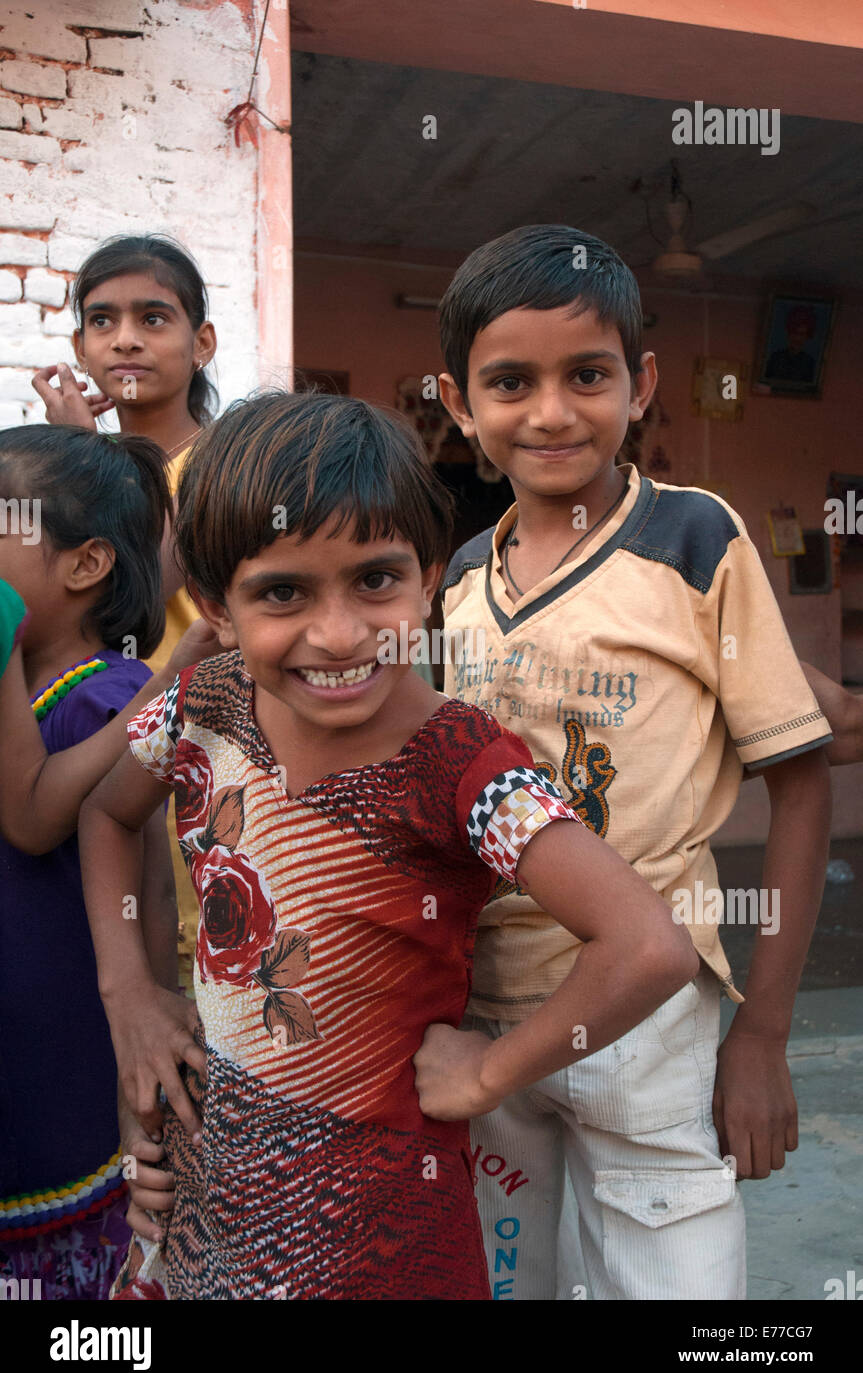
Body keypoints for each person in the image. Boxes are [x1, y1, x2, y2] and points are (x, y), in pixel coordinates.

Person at [78, 390, 697, 1301]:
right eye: (282, 592)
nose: (338, 634)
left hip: (382, 1240)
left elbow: (650, 946)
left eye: (375, 581)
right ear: (213, 604)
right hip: (206, 1204)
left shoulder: (462, 764)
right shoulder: (198, 706)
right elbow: (104, 812)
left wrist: (491, 1069)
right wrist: (129, 989)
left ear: (429, 580)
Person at [433, 224, 833, 1300]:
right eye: (510, 381)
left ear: (642, 384)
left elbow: (798, 778)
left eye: (588, 375)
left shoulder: (694, 540)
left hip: (649, 1017)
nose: (552, 410)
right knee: (506, 1275)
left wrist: (762, 1031)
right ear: (459, 403)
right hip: (490, 1011)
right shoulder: (463, 578)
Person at [0, 425, 209, 1299]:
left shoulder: (103, 698)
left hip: (64, 1064)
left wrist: (173, 675)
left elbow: (35, 819)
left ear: (83, 566)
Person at [32, 234, 219, 999]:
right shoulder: (97, 469)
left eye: (153, 318)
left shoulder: (219, 462)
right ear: (79, 344)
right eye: (102, 322)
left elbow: (136, 593)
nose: (126, 339)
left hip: (189, 752)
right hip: (92, 758)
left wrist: (81, 450)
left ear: (201, 343)